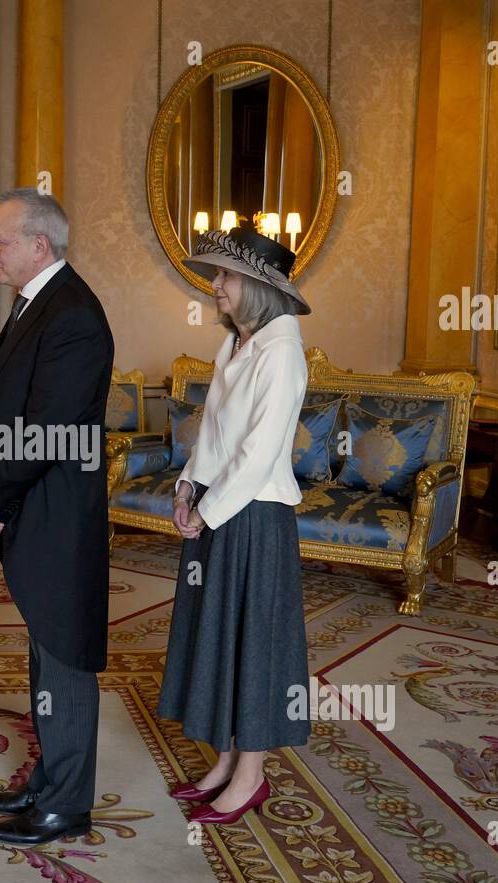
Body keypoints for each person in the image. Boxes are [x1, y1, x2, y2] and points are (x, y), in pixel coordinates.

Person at [0, 188, 115, 846]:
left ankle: (65, 804)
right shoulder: (42, 300)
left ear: (39, 244)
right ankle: (49, 779)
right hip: (37, 500)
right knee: (44, 647)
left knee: (63, 653)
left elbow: (45, 430)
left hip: (56, 510)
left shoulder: (74, 314)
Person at [156, 226, 312, 825]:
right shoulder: (238, 345)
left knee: (254, 645)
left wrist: (207, 511)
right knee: (216, 636)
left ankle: (251, 776)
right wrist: (188, 485)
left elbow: (259, 453)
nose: (214, 285)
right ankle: (224, 762)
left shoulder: (282, 353)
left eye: (223, 276)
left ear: (258, 286)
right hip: (219, 510)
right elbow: (215, 433)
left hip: (255, 518)